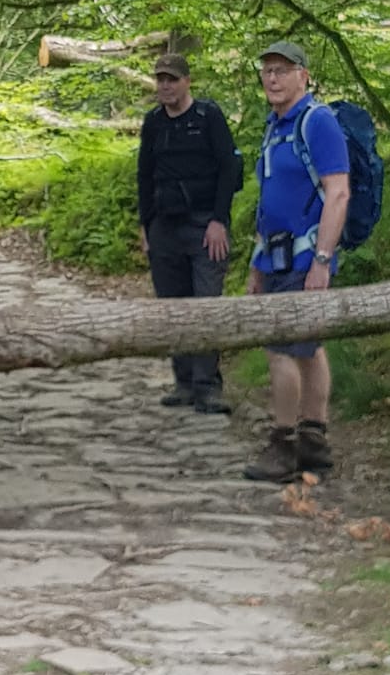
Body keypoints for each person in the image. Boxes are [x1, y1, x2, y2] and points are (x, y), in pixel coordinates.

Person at [243, 39, 351, 482]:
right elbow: (269, 203)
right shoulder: (275, 126)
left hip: (306, 257)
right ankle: (314, 441)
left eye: (282, 70)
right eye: (267, 71)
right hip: (275, 258)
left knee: (281, 349)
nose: (273, 78)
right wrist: (256, 265)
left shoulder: (317, 121)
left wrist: (322, 260)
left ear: (303, 76)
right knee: (307, 348)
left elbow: (338, 192)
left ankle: (284, 443)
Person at [137, 51, 242, 415]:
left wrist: (219, 220)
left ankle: (207, 386)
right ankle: (183, 382)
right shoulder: (153, 123)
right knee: (172, 307)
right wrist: (146, 225)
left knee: (206, 305)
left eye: (172, 79)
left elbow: (229, 168)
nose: (165, 86)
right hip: (164, 226)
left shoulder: (208, 116)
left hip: (204, 224)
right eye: (160, 79)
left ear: (187, 81)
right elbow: (144, 174)